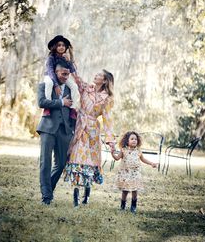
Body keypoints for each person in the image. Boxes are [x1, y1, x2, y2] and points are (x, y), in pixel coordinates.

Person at [64, 69, 115, 207]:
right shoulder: (86, 88)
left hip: (93, 130)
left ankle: (86, 195)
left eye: (99, 75)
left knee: (90, 161)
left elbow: (108, 119)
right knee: (76, 158)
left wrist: (110, 141)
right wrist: (70, 60)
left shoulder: (107, 98)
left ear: (104, 81)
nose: (95, 75)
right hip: (80, 126)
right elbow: (76, 77)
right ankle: (75, 197)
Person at [36, 63, 75, 205]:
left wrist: (73, 130)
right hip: (48, 128)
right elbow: (41, 102)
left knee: (61, 163)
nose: (66, 77)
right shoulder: (45, 85)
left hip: (65, 131)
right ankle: (46, 197)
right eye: (63, 74)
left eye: (68, 74)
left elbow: (74, 110)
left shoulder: (71, 89)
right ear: (55, 72)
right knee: (45, 163)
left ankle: (48, 191)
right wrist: (61, 102)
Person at [111, 131, 158, 213]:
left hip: (135, 174)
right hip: (125, 173)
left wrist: (151, 163)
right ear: (127, 141)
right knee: (125, 190)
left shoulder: (138, 151)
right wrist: (112, 153)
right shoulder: (123, 150)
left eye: (135, 139)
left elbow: (143, 160)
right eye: (132, 139)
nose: (134, 140)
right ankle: (123, 205)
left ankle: (133, 206)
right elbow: (117, 158)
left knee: (134, 190)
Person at [43, 35, 79, 118]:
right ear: (55, 47)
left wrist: (68, 61)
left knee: (74, 86)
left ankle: (73, 109)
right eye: (59, 45)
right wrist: (56, 85)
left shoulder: (65, 57)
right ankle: (47, 107)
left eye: (63, 45)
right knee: (49, 84)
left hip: (62, 77)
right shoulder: (51, 58)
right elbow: (51, 71)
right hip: (50, 76)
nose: (61, 47)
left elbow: (73, 70)